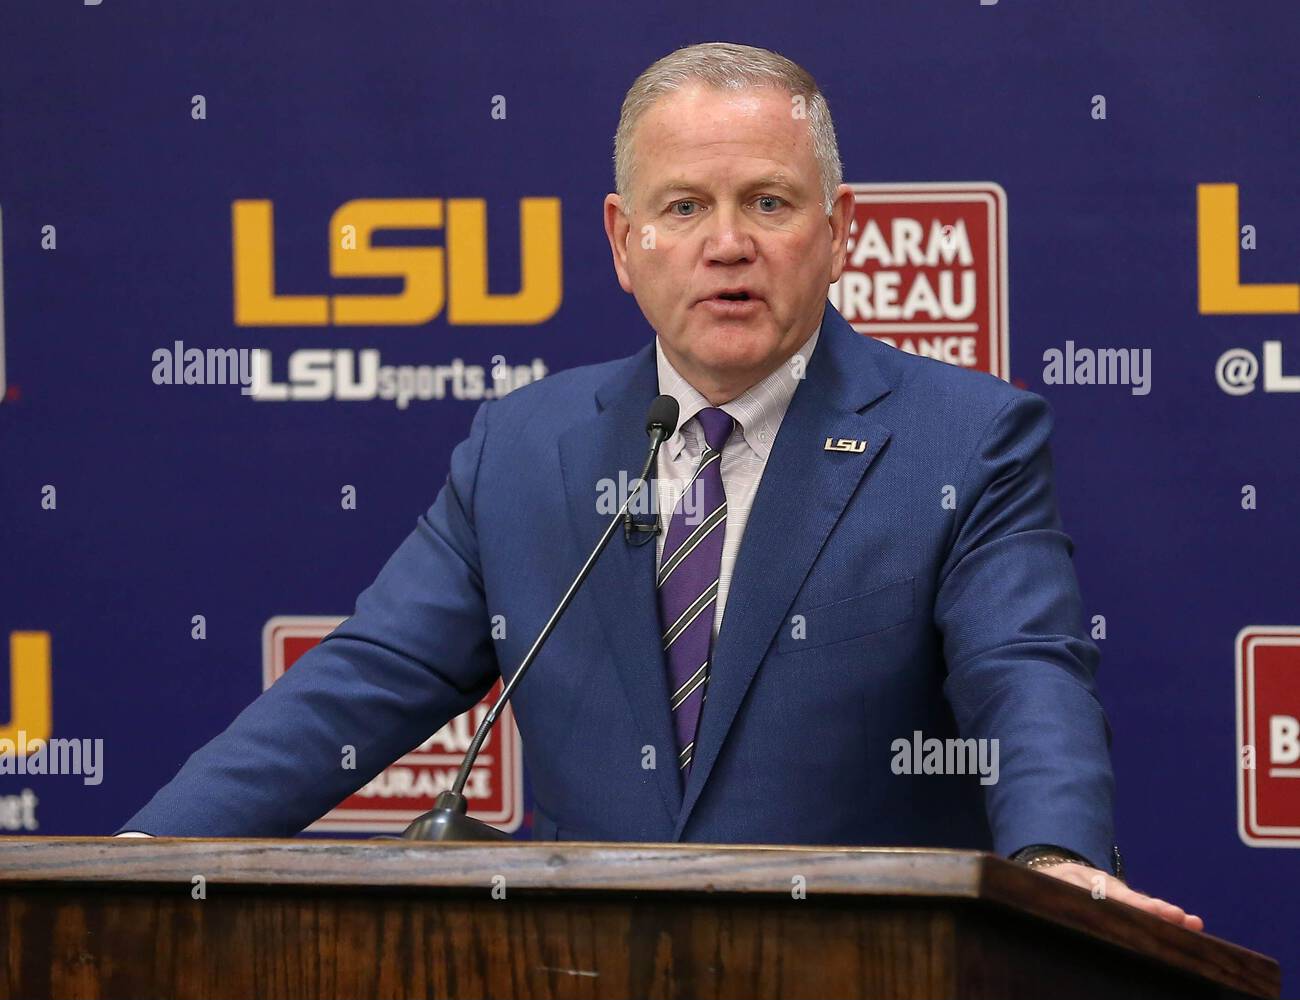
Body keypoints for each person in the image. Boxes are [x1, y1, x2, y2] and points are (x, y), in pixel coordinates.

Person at [117, 42, 1201, 932]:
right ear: (622, 241)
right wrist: (133, 864)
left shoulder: (965, 442)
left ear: (839, 233)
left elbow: (1026, 677)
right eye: (681, 207)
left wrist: (1053, 859)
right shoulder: (524, 447)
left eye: (768, 202)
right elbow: (358, 683)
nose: (725, 245)